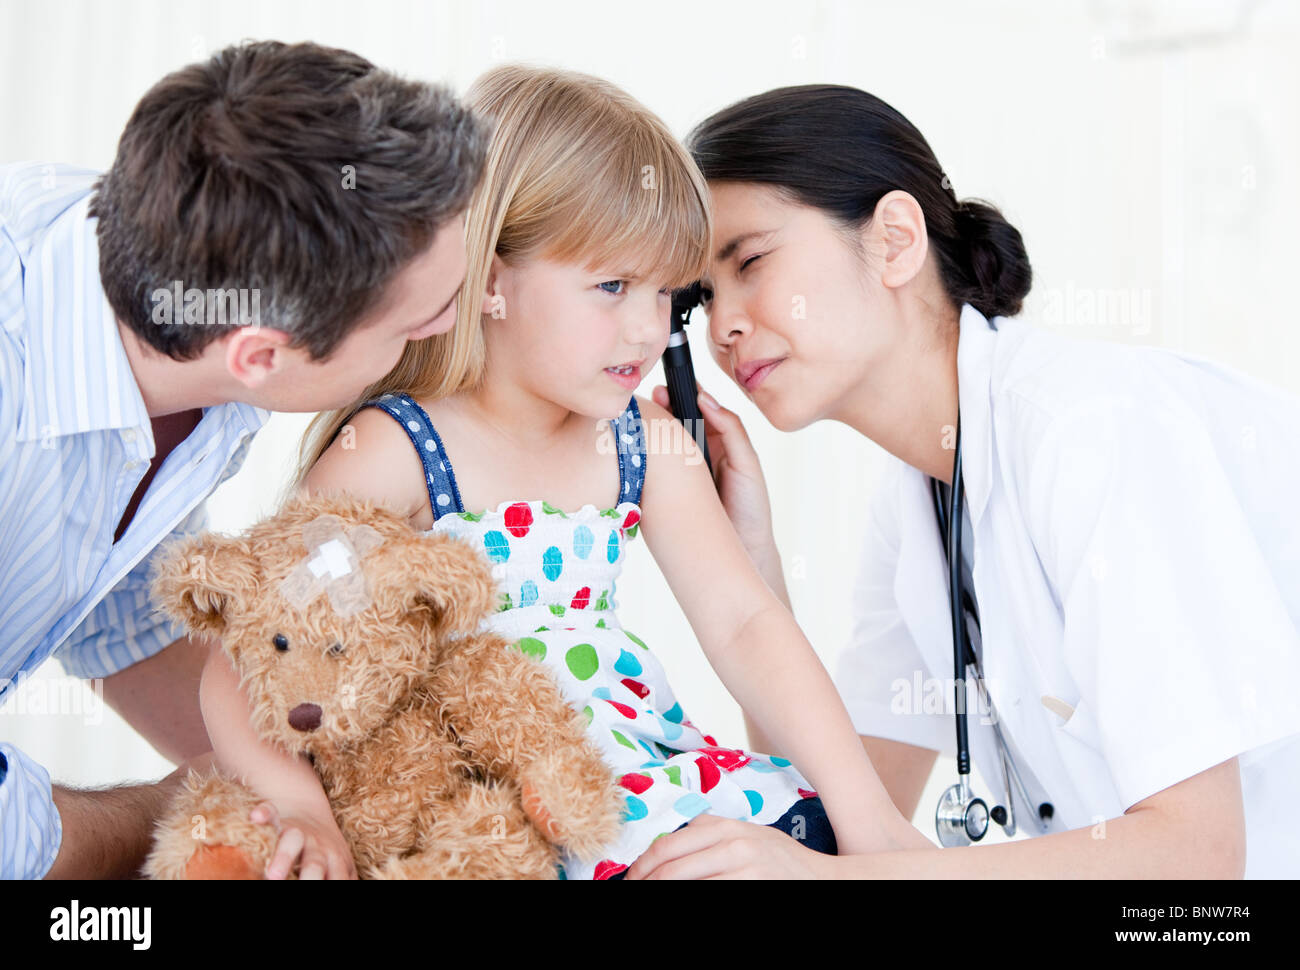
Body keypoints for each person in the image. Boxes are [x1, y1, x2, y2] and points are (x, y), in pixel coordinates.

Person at [201, 64, 923, 881]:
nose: (649, 328)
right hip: (477, 824)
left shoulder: (641, 443)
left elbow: (745, 625)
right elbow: (251, 653)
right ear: (491, 277)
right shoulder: (397, 449)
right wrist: (301, 810)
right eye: (612, 286)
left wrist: (870, 820)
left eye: (666, 293)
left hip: (621, 794)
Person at [627, 83, 1300, 879]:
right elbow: (844, 818)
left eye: (750, 262)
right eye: (703, 298)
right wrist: (746, 562)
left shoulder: (1089, 429)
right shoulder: (920, 498)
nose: (722, 325)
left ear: (895, 240)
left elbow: (1198, 857)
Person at [0, 39, 486, 879]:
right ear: (264, 353)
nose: (455, 321)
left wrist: (323, 799)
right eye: (418, 321)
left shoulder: (195, 297)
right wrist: (188, 808)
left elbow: (120, 618)